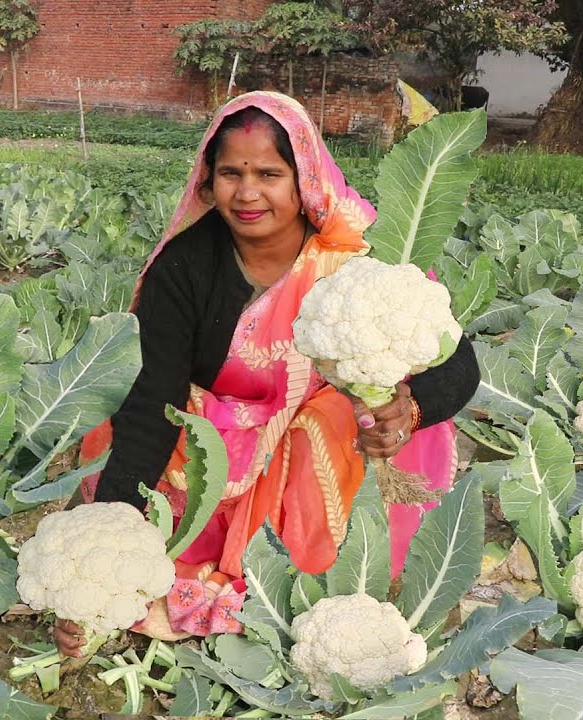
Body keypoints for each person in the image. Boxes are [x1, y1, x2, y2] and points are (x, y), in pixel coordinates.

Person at [58, 92, 480, 656]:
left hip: (324, 445)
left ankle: (337, 568)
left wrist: (409, 410)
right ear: (208, 180)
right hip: (216, 440)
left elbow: (457, 362)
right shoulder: (183, 267)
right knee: (135, 424)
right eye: (231, 173)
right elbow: (152, 400)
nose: (247, 193)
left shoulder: (357, 258)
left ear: (305, 180)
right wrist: (108, 541)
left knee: (339, 413)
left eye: (269, 174)